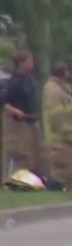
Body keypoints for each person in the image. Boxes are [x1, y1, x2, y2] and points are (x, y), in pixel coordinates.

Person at [41, 61, 72, 191]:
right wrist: (68, 133)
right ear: (63, 74)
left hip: (69, 138)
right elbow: (56, 117)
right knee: (62, 173)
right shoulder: (52, 91)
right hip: (60, 139)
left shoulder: (62, 89)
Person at [2, 51, 40, 181]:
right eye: (29, 61)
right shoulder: (14, 82)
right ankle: (15, 181)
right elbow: (4, 103)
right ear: (21, 63)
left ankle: (32, 180)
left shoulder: (31, 80)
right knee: (22, 154)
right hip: (19, 124)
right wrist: (15, 111)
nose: (32, 64)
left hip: (32, 121)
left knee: (35, 155)